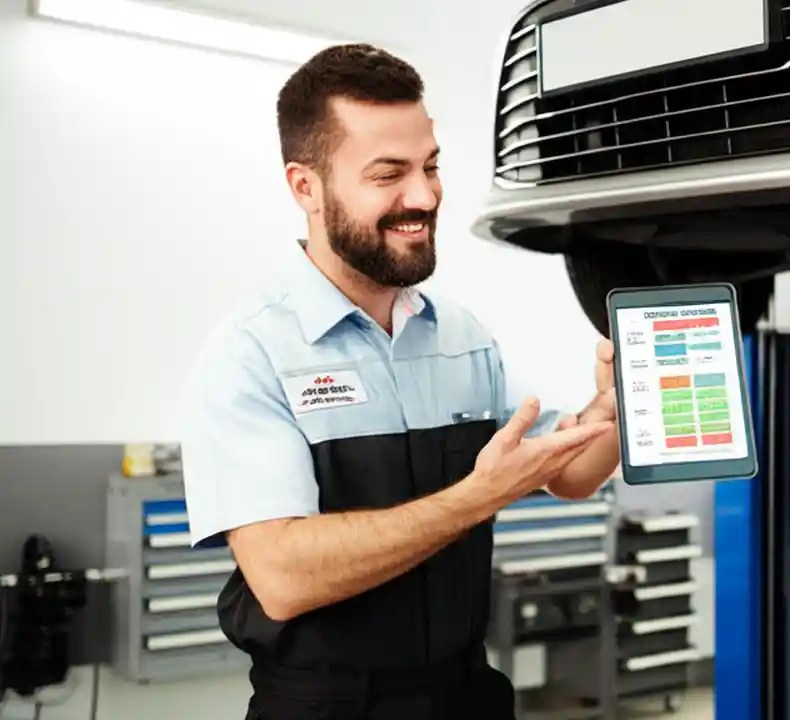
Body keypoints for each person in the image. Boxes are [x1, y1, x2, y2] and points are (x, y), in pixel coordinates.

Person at [179, 44, 620, 720]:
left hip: (466, 693)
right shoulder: (251, 352)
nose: (424, 196)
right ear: (306, 187)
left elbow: (569, 473)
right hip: (327, 707)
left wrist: (621, 409)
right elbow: (282, 578)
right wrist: (475, 499)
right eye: (389, 174)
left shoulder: (461, 336)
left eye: (431, 166)